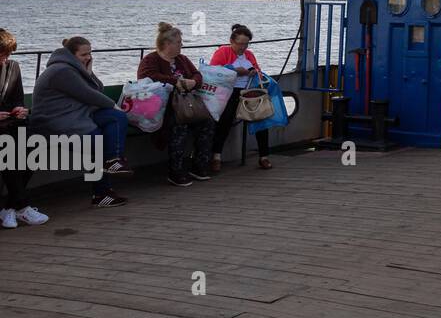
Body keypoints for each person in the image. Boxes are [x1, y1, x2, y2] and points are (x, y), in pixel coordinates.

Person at [29, 36, 132, 208]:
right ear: (70, 55)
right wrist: (114, 104)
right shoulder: (61, 71)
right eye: (84, 54)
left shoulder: (75, 68)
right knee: (102, 141)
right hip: (55, 124)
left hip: (77, 118)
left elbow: (98, 88)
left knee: (117, 118)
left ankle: (113, 161)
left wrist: (89, 72)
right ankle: (102, 191)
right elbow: (88, 94)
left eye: (90, 53)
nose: (88, 57)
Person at [138, 22, 214, 187]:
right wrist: (176, 82)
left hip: (186, 104)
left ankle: (199, 165)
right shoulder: (150, 60)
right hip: (163, 107)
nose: (182, 45)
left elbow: (196, 74)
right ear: (167, 44)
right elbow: (148, 77)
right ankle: (176, 171)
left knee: (207, 122)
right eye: (179, 42)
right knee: (179, 125)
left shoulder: (182, 59)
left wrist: (193, 82)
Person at [1, 29, 48, 227]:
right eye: (1, 54)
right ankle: (22, 206)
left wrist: (20, 110)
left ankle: (10, 208)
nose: (4, 59)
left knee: (35, 146)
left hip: (9, 123)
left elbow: (17, 99)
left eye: (7, 54)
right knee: (8, 148)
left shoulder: (13, 67)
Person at [208, 23, 271, 172]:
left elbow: (258, 70)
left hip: (248, 91)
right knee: (225, 119)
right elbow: (213, 72)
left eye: (246, 44)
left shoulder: (249, 55)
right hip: (229, 91)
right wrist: (235, 71)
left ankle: (264, 156)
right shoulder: (223, 52)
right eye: (240, 44)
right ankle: (216, 156)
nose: (242, 47)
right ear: (232, 41)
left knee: (260, 118)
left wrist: (254, 72)